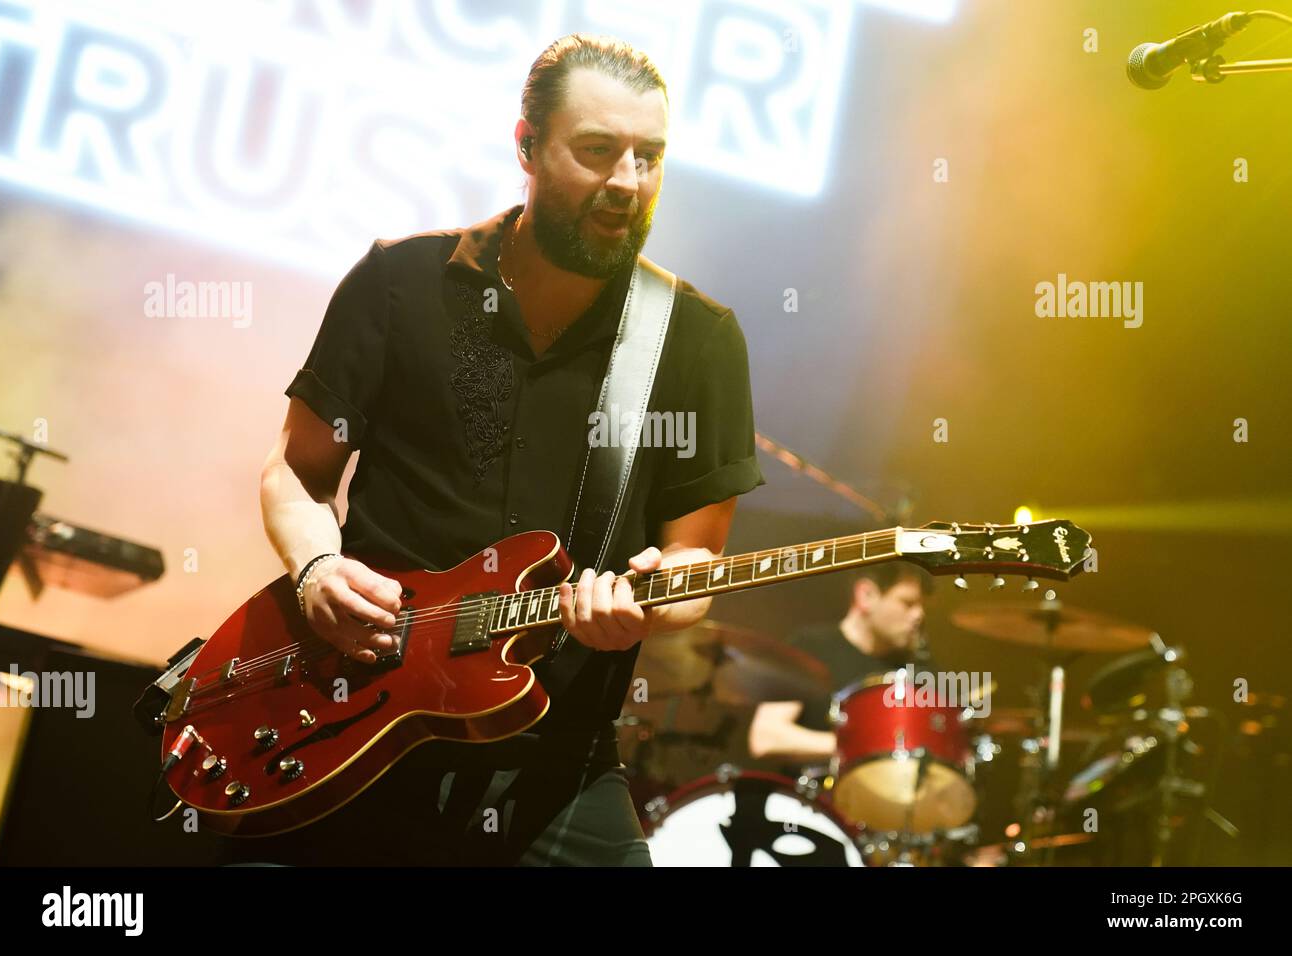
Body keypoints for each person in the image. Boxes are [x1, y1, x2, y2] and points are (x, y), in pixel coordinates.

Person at [224, 33, 764, 866]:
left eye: (648, 157)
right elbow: (297, 472)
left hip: (553, 754)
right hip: (350, 716)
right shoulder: (400, 282)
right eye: (597, 152)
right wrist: (317, 571)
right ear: (527, 147)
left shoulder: (696, 340)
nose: (626, 182)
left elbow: (696, 563)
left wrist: (651, 602)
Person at [748, 563, 933, 769]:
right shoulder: (810, 647)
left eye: (922, 606)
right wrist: (865, 746)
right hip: (813, 796)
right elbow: (766, 737)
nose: (919, 615)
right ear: (866, 595)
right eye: (908, 603)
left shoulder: (921, 672)